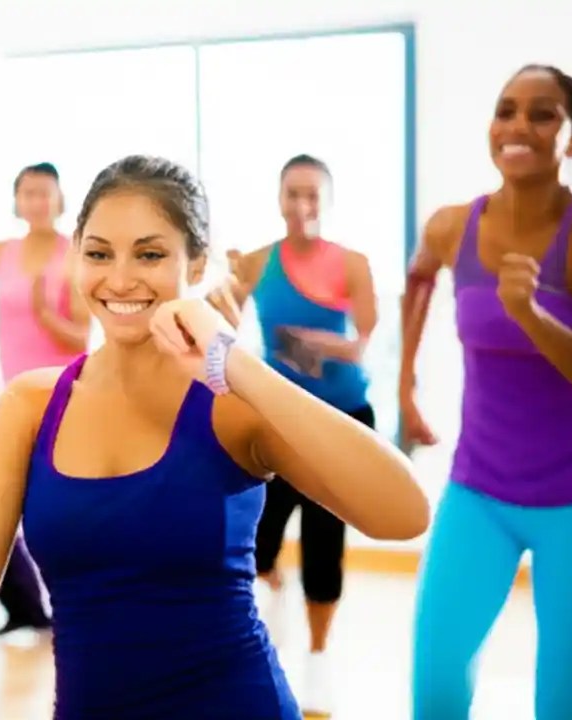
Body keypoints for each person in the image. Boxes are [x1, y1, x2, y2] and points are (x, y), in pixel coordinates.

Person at [0, 154, 430, 719]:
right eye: (98, 253)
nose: (119, 278)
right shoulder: (31, 406)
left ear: (197, 265)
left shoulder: (232, 408)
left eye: (150, 254)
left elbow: (403, 513)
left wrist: (234, 363)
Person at [403, 64, 572, 719]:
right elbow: (418, 279)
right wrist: (404, 381)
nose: (518, 126)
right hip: (478, 497)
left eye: (543, 113)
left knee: (564, 707)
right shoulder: (450, 226)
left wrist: (533, 316)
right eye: (506, 110)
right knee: (437, 694)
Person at [209, 153, 379, 714]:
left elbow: (362, 341)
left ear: (327, 201)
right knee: (258, 542)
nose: (302, 206)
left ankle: (320, 658)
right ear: (279, 198)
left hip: (342, 419)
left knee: (325, 548)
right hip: (278, 422)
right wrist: (225, 282)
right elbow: (222, 322)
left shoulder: (353, 263)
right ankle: (274, 603)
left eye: (313, 195)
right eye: (292, 194)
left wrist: (312, 341)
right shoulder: (259, 261)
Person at [0, 161, 88, 639]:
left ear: (60, 200)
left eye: (46, 193)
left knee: (58, 501)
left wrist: (45, 312)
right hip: (10, 396)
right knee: (3, 501)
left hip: (62, 395)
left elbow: (82, 334)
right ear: (17, 201)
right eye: (29, 193)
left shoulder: (74, 256)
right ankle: (28, 605)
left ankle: (71, 603)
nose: (38, 202)